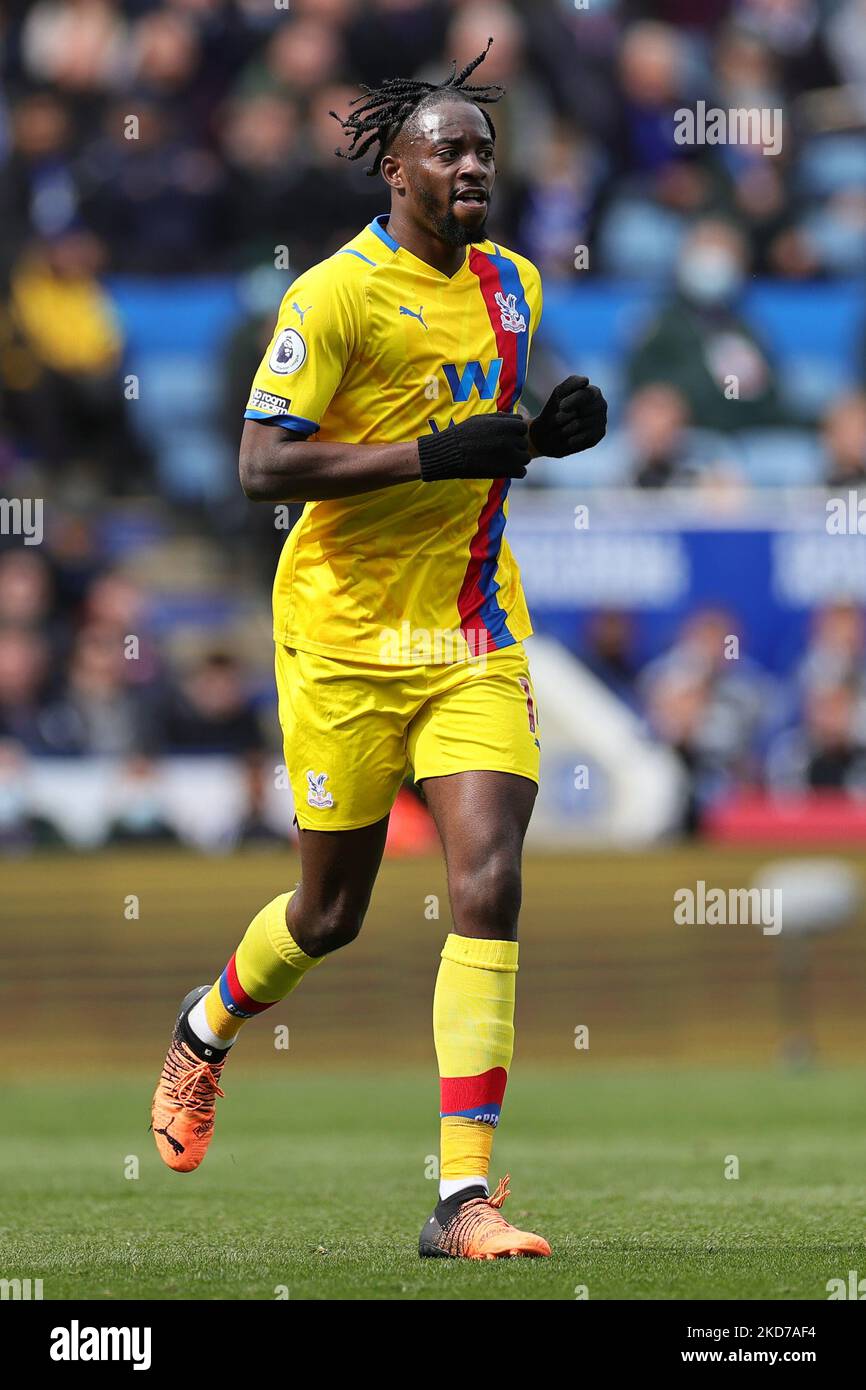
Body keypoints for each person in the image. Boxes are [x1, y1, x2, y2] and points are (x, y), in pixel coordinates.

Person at [150, 38, 607, 1261]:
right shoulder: (331, 298)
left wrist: (549, 434)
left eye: (483, 148)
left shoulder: (514, 284)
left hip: (469, 630)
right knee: (330, 909)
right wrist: (439, 454)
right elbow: (262, 467)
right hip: (344, 640)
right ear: (393, 172)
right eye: (447, 147)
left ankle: (462, 1196)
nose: (472, 163)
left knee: (488, 882)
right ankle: (204, 1026)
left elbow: (483, 428)